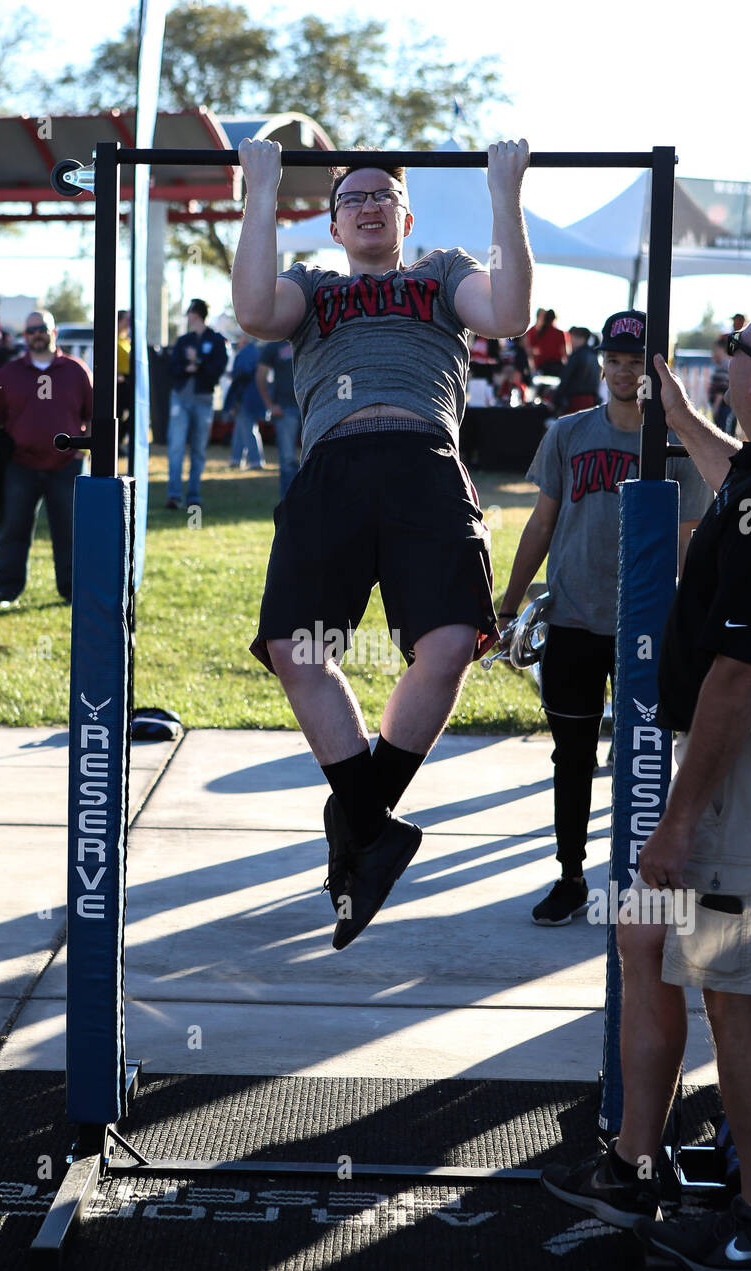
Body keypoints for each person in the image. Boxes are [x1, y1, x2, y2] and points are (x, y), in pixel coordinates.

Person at [233, 136, 532, 950]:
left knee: (448, 645)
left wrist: (506, 194)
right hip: (331, 468)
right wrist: (260, 193)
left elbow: (508, 316)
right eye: (351, 199)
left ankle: (361, 828)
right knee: (298, 648)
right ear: (333, 225)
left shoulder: (439, 273)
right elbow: (255, 313)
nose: (368, 205)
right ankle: (375, 831)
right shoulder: (314, 289)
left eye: (381, 195)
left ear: (406, 214)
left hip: (423, 464)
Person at [542, 303, 751, 1271]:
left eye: (735, 349)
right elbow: (728, 477)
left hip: (736, 769)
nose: (721, 359)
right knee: (642, 932)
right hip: (727, 765)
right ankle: (631, 1167)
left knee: (733, 997)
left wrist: (677, 821)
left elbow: (737, 675)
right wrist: (676, 409)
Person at [496, 310, 714, 925]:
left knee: (647, 753)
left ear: (657, 369)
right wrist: (511, 605)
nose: (624, 371)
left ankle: (650, 875)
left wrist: (682, 615)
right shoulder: (567, 434)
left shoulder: (675, 442)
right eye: (615, 360)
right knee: (571, 756)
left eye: (637, 361)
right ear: (602, 364)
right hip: (573, 621)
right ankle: (569, 875)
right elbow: (541, 522)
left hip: (646, 628)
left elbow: (690, 537)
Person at [0, 310, 92, 606]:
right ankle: (6, 591)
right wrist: (2, 443)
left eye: (42, 328)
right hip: (20, 465)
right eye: (31, 331)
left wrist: (83, 448)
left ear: (54, 333)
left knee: (70, 532)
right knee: (12, 530)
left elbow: (94, 416)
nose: (37, 334)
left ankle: (72, 592)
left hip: (67, 466)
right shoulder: (11, 372)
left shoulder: (76, 370)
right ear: (25, 337)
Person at [166, 298, 227, 510]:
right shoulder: (184, 341)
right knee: (176, 446)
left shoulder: (217, 340)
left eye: (189, 312)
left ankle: (193, 495)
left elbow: (218, 370)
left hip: (203, 400)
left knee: (198, 449)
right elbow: (172, 368)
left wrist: (198, 362)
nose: (187, 316)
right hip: (180, 399)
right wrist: (187, 368)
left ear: (196, 314)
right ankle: (174, 496)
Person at [255, 338, 301, 497]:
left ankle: (312, 502)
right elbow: (261, 376)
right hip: (285, 408)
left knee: (315, 456)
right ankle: (289, 504)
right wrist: (270, 405)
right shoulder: (274, 344)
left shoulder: (309, 335)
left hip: (311, 407)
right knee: (288, 460)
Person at [225, 334, 265, 470]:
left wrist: (234, 397)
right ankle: (236, 460)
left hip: (246, 397)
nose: (238, 339)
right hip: (250, 396)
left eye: (241, 337)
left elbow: (243, 373)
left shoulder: (248, 352)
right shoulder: (254, 351)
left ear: (247, 339)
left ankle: (256, 462)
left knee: (248, 429)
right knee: (241, 429)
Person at [554, 325, 600, 414]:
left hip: (576, 402)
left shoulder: (577, 355)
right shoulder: (594, 355)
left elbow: (565, 378)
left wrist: (555, 400)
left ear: (581, 339)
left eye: (573, 338)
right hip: (592, 402)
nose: (571, 341)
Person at [529, 308, 568, 378]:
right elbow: (565, 353)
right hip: (556, 368)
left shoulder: (538, 332)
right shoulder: (559, 333)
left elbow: (531, 351)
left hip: (541, 367)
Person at [116, 309, 132, 457]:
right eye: (126, 319)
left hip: (128, 380)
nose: (128, 322)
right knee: (119, 414)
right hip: (119, 382)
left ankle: (123, 442)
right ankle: (117, 444)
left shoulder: (126, 340)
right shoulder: (114, 339)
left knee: (130, 414)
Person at [708, 333, 731, 432]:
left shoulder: (723, 365)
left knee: (721, 430)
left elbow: (721, 390)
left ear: (721, 350)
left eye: (714, 350)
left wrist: (716, 407)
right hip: (722, 404)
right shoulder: (723, 364)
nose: (713, 353)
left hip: (721, 405)